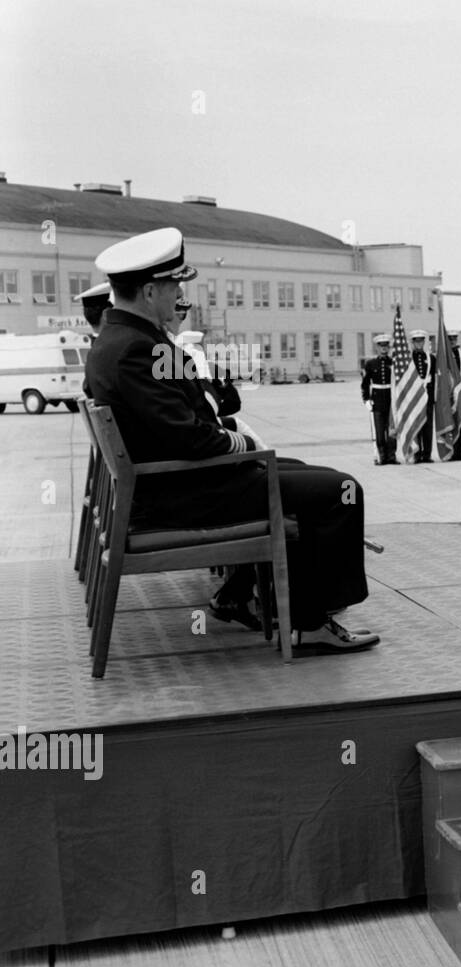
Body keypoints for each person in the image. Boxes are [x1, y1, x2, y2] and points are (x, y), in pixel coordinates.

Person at [84, 227, 377, 653]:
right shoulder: (137, 349)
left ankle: (289, 606)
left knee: (310, 475)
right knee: (341, 491)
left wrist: (240, 446)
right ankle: (312, 620)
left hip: (179, 484)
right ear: (149, 291)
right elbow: (189, 438)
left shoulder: (119, 340)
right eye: (174, 285)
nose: (179, 294)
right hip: (189, 493)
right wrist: (241, 445)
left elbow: (183, 422)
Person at [361, 334, 396, 465]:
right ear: (377, 347)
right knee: (379, 431)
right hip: (377, 400)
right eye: (381, 346)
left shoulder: (393, 362)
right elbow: (365, 384)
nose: (384, 349)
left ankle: (391, 456)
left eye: (386, 346)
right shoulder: (370, 364)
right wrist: (366, 399)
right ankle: (381, 456)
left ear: (389, 347)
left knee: (392, 430)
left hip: (391, 400)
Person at [409, 330, 433, 462]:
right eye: (416, 341)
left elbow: (435, 378)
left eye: (421, 340)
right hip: (414, 397)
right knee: (416, 426)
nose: (419, 343)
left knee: (428, 427)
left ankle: (427, 454)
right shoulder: (408, 359)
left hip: (427, 396)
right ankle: (417, 454)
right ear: (413, 342)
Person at [448, 331, 461, 460]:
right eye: (450, 339)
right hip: (450, 394)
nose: (452, 341)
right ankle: (452, 451)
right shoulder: (444, 355)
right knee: (451, 423)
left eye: (454, 338)